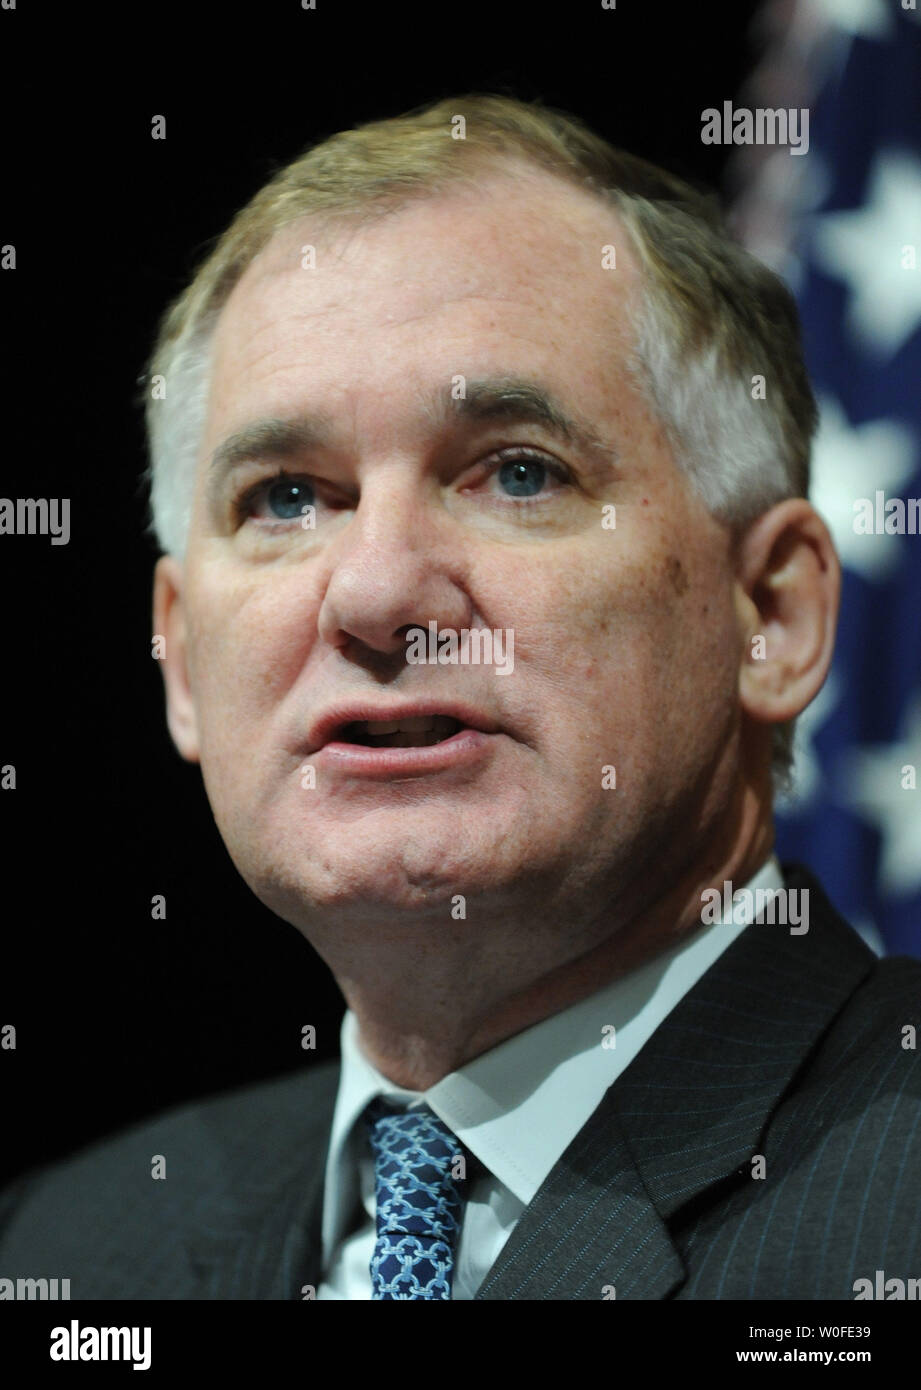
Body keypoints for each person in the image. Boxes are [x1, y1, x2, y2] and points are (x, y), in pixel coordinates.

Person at [1, 93, 918, 1302]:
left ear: (772, 615)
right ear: (177, 657)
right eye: (285, 497)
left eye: (517, 473)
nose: (377, 594)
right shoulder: (67, 1251)